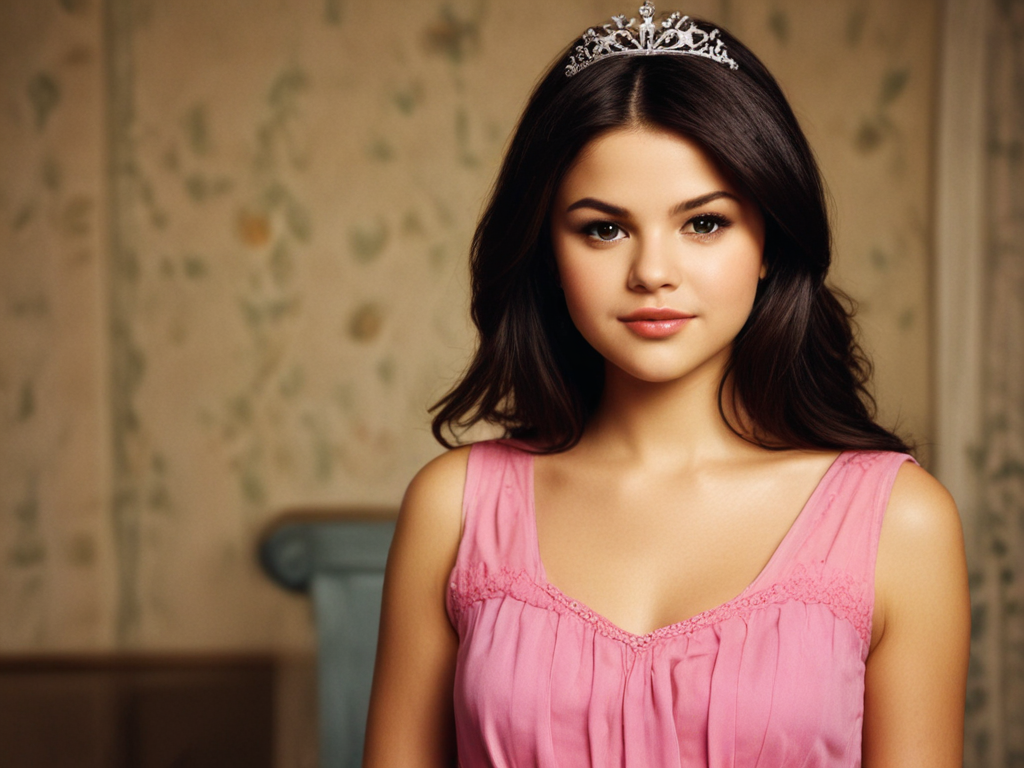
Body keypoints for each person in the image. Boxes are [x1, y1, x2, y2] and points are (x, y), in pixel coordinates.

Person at [363, 4, 970, 766]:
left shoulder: (900, 525)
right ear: (547, 249)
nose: (653, 271)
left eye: (704, 223)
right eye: (603, 228)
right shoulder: (452, 508)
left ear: (769, 244)